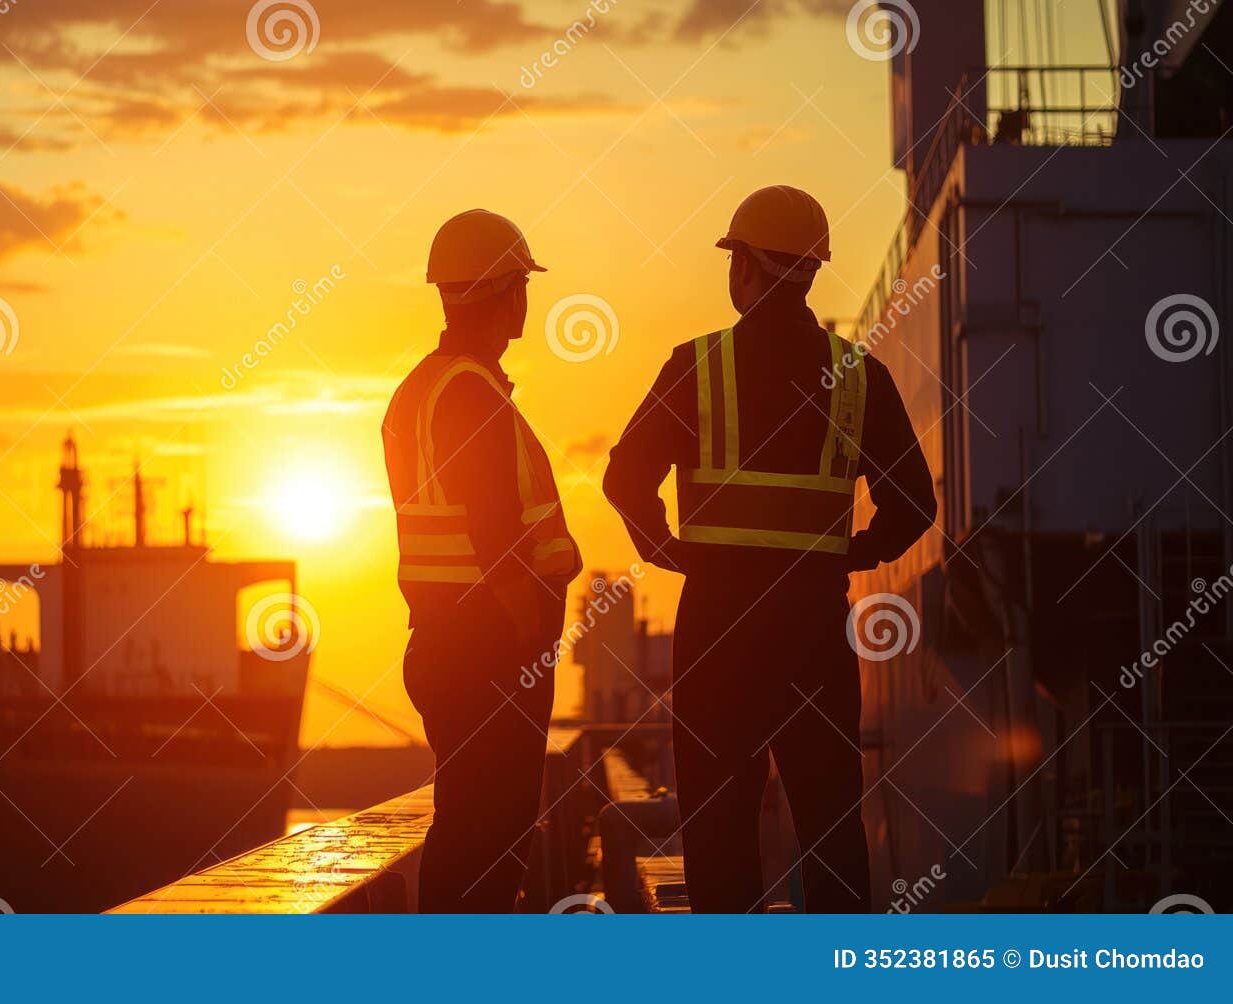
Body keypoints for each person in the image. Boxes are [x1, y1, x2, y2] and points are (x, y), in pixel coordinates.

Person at [602, 186, 936, 912]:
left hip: (717, 631)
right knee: (830, 826)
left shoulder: (695, 365)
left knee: (718, 829)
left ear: (746, 267)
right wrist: (855, 553)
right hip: (812, 629)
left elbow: (623, 478)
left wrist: (666, 548)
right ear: (812, 271)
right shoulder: (858, 377)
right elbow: (914, 504)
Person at [381, 209, 582, 912]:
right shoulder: (470, 394)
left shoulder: (422, 390)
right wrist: (530, 639)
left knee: (469, 831)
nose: (526, 298)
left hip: (450, 647)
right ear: (503, 291)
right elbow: (498, 540)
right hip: (489, 655)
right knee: (488, 841)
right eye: (522, 283)